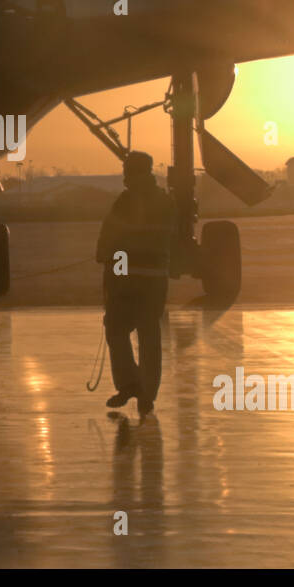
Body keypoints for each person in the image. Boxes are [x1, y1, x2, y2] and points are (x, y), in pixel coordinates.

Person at [95, 151, 176, 414]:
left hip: (130, 280)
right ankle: (144, 392)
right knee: (146, 334)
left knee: (118, 330)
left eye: (127, 171)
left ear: (135, 172)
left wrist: (110, 267)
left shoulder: (126, 202)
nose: (124, 177)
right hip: (152, 280)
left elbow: (110, 238)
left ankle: (133, 385)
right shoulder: (164, 202)